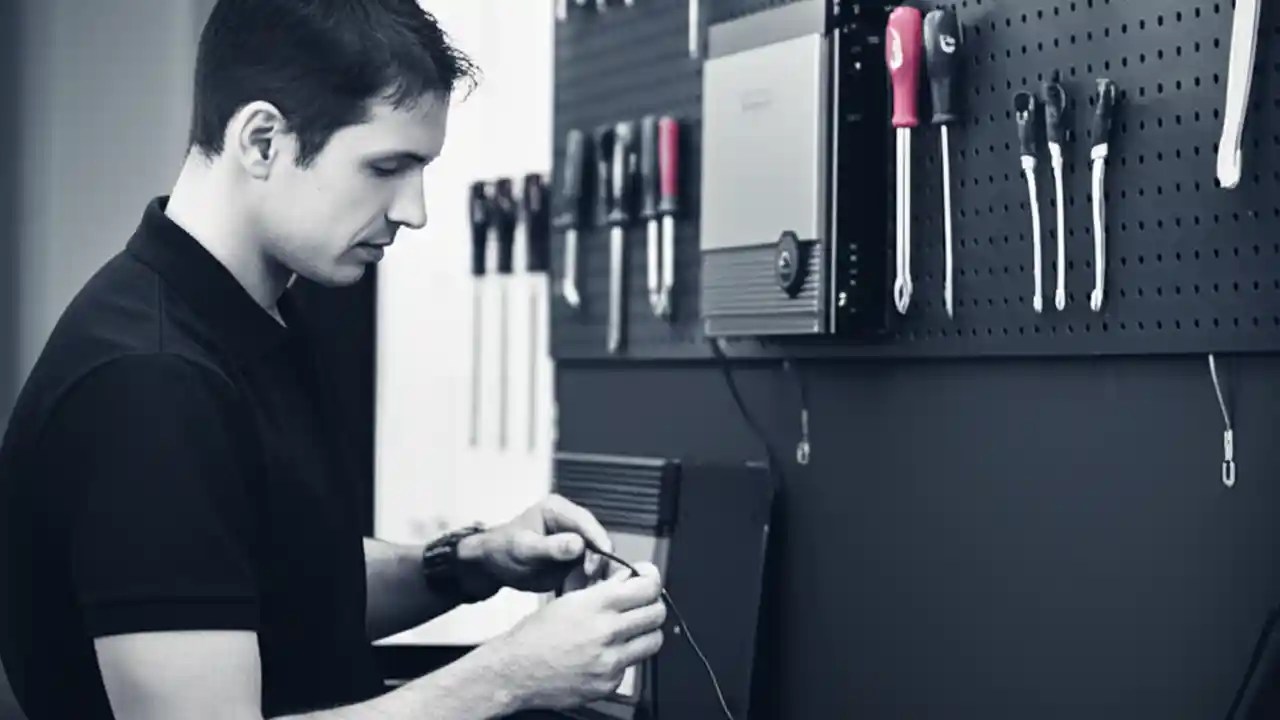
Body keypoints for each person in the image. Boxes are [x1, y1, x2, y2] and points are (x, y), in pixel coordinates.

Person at [0, 1, 667, 718]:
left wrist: (471, 563)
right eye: (387, 167)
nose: (415, 210)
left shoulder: (252, 321)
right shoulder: (150, 383)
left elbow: (280, 586)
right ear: (261, 141)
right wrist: (509, 674)